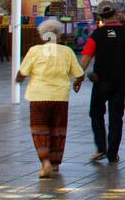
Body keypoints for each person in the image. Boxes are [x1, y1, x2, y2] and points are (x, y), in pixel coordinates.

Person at [73, 1, 125, 163]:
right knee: (116, 118)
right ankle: (112, 153)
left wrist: (78, 78)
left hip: (101, 82)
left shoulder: (96, 35)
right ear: (115, 13)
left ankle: (101, 148)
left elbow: (85, 60)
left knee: (96, 113)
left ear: (100, 17)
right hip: (120, 82)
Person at [16, 19, 84, 178]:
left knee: (39, 130)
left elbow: (22, 73)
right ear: (58, 36)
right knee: (58, 130)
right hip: (60, 97)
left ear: (42, 36)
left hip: (39, 96)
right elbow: (79, 74)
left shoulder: (35, 51)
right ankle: (54, 165)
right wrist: (76, 84)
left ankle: (45, 162)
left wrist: (18, 80)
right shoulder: (67, 51)